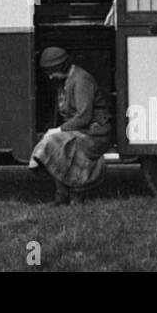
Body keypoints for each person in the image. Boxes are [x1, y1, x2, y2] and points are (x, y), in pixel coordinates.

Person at [29, 46, 113, 205]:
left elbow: (84, 116)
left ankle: (75, 196)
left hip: (96, 133)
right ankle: (62, 195)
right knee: (51, 143)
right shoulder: (66, 81)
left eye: (51, 72)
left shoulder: (81, 80)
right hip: (83, 130)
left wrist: (58, 130)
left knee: (57, 144)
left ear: (60, 67)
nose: (50, 77)